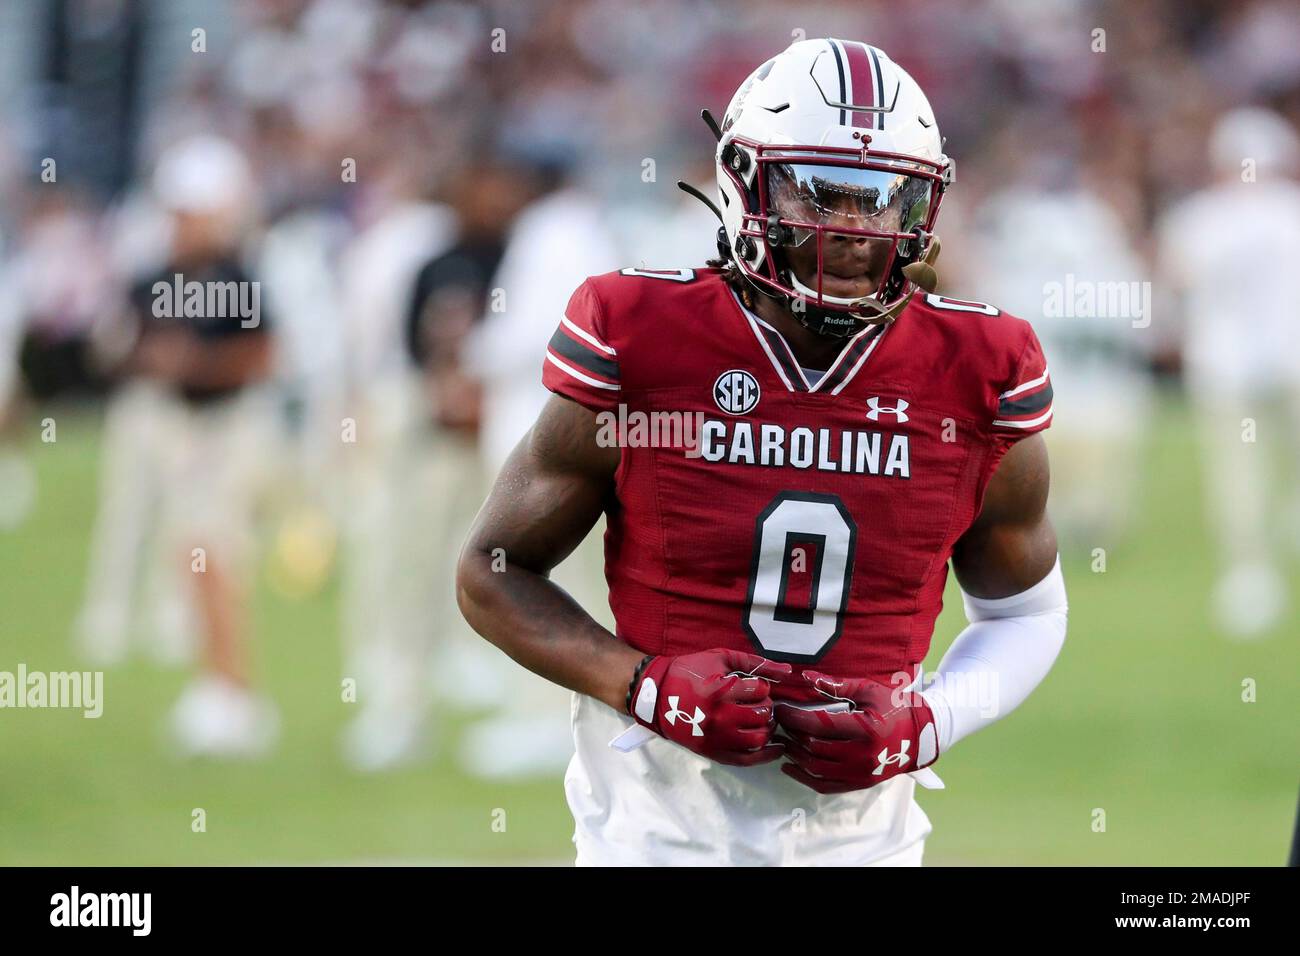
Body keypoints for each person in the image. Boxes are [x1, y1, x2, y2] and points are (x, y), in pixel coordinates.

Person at [457, 38, 1068, 865]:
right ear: (745, 180)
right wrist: (642, 686)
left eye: (885, 197)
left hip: (868, 841)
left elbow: (1026, 613)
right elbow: (493, 569)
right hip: (655, 830)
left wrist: (930, 722)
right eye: (822, 193)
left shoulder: (978, 371)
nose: (854, 229)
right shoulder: (641, 336)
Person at [1156, 106, 1300, 639]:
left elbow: (1175, 285)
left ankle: (1250, 574)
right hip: (1284, 359)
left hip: (1226, 363)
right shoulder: (1290, 212)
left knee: (1238, 475)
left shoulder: (1197, 219)